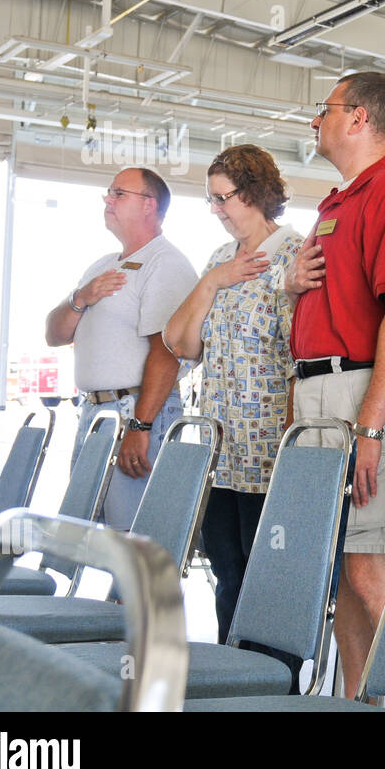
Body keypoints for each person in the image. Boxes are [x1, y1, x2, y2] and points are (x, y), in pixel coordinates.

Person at [286, 72, 385, 703]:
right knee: (347, 571)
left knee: (372, 562)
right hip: (325, 391)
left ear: (359, 119)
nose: (314, 120)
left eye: (323, 109)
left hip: (366, 392)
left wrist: (372, 425)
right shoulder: (337, 202)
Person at [163, 146, 303, 645]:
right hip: (222, 452)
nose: (218, 210)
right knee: (227, 574)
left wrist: (293, 452)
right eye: (212, 200)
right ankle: (230, 678)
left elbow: (298, 364)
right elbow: (180, 342)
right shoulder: (219, 259)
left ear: (257, 193)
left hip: (269, 454)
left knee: (267, 579)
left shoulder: (294, 253)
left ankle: (271, 687)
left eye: (225, 198)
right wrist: (212, 282)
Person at [45, 168, 197, 529]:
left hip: (136, 410)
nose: (107, 200)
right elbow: (54, 333)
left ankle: (135, 591)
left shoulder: (165, 263)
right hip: (96, 412)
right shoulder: (102, 266)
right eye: (109, 192)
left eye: (119, 193)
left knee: (133, 541)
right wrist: (81, 298)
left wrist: (140, 426)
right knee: (85, 533)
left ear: (150, 205)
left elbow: (167, 352)